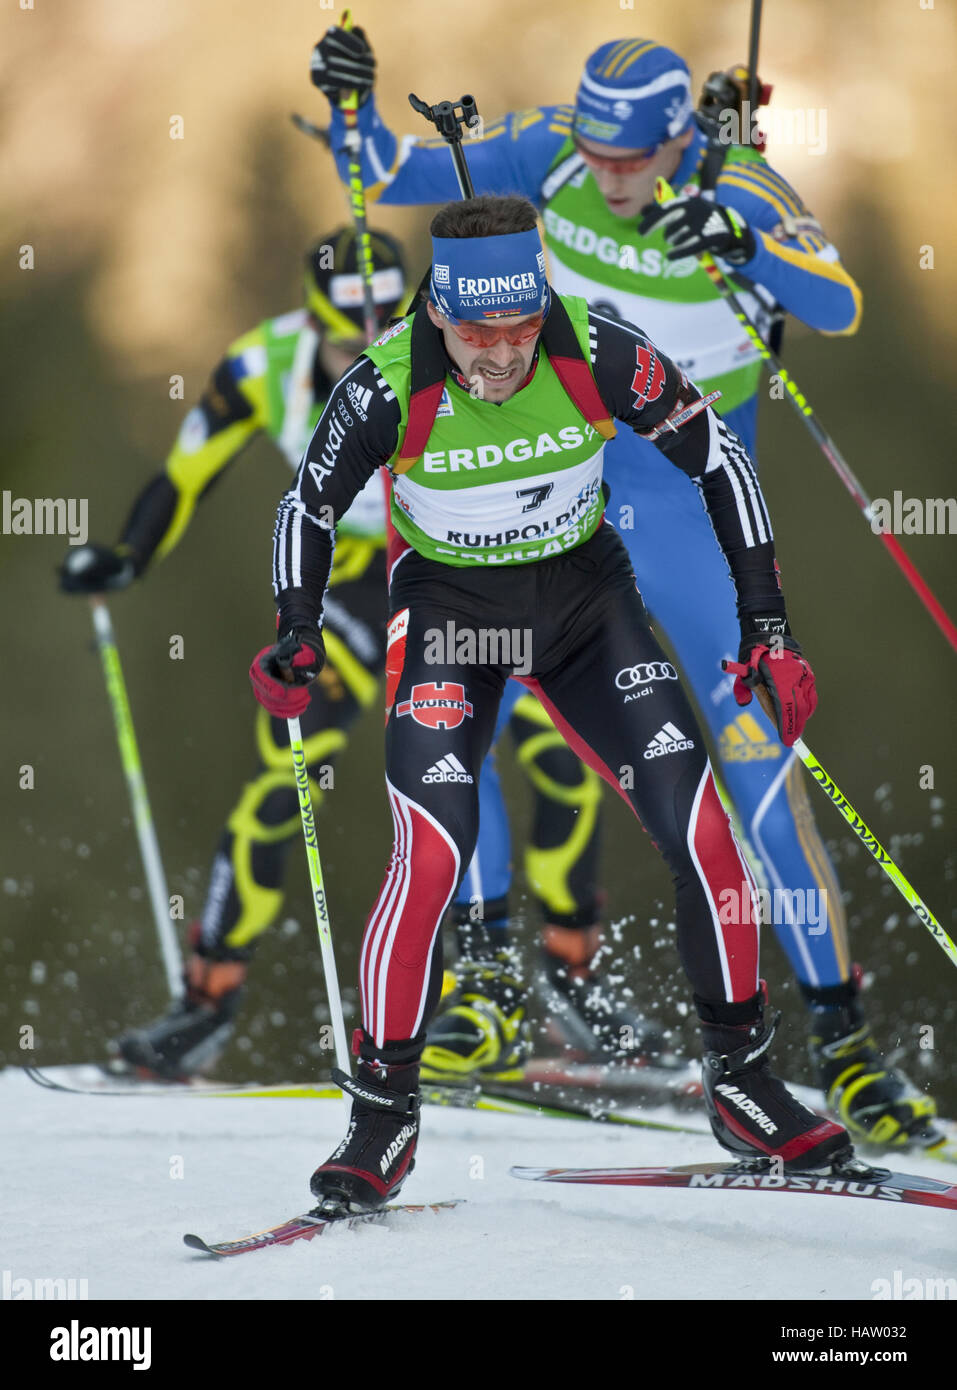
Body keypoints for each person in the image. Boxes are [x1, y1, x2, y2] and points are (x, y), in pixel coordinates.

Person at [305, 26, 939, 1151]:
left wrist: (744, 239)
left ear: (681, 136)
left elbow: (833, 302)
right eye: (595, 158)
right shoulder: (549, 152)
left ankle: (838, 1037)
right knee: (456, 740)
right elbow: (384, 176)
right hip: (562, 502)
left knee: (750, 774)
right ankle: (487, 982)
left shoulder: (735, 176)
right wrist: (350, 113)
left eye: (631, 162)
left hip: (688, 515)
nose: (607, 177)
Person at [250, 193, 852, 1215]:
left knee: (705, 830)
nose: (500, 357)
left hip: (583, 611)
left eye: (520, 329)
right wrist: (294, 630)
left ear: (543, 305)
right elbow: (305, 502)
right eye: (478, 334)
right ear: (441, 313)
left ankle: (743, 1079)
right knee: (431, 851)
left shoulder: (599, 349)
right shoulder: (388, 383)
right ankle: (383, 1116)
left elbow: (722, 458)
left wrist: (768, 626)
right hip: (451, 618)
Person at [58, 226, 518, 1079]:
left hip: (457, 561)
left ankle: (529, 978)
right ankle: (206, 999)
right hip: (340, 575)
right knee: (286, 773)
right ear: (313, 320)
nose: (367, 348)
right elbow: (187, 471)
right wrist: (125, 555)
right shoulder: (261, 364)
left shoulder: (462, 345)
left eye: (384, 326)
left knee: (517, 749)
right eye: (347, 334)